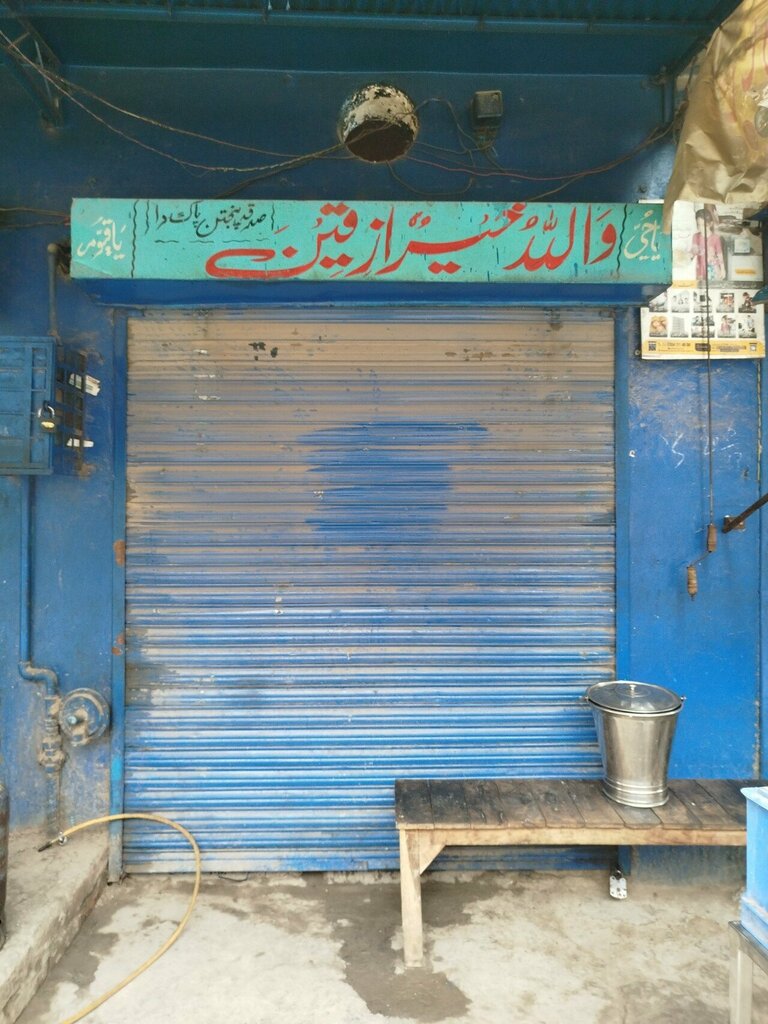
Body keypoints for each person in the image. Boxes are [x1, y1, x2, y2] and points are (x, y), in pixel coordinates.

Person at [691, 207, 725, 282]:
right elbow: (694, 251)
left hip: (713, 268)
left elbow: (720, 254)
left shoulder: (716, 238)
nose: (701, 228)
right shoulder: (695, 236)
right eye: (698, 225)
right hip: (700, 267)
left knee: (714, 287)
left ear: (710, 224)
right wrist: (690, 255)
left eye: (703, 225)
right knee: (701, 287)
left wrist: (723, 269)